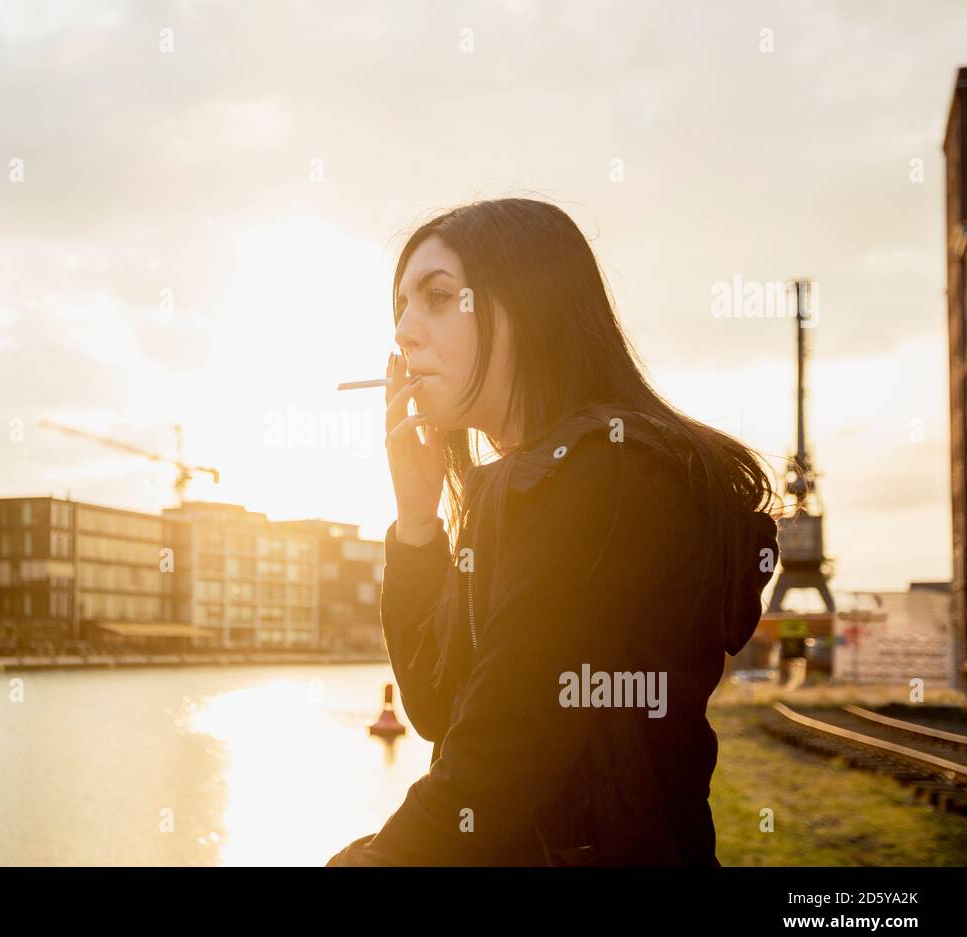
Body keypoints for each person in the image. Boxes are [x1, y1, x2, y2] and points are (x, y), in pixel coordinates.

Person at [326, 198, 782, 866]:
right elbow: (440, 713)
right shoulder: (519, 487)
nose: (404, 332)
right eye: (400, 306)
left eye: (439, 297)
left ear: (526, 307)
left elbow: (502, 760)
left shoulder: (606, 472)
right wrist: (418, 522)